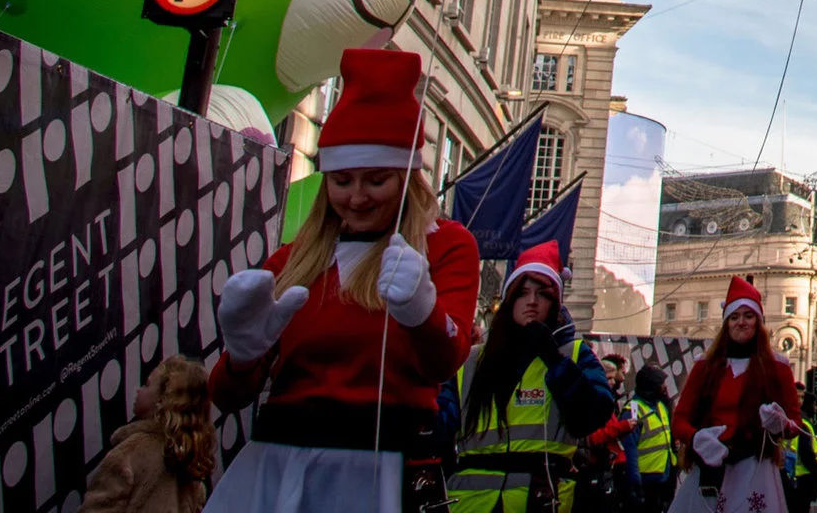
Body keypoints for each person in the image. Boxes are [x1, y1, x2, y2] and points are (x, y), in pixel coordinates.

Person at [206, 48, 481, 512]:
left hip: (382, 474)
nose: (355, 198)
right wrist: (242, 356)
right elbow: (227, 397)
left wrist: (422, 313)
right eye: (341, 181)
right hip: (275, 471)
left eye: (375, 180)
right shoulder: (295, 259)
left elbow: (444, 363)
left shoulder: (445, 246)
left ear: (407, 179)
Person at [446, 241, 620, 512]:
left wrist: (554, 360)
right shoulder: (471, 360)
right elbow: (438, 424)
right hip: (472, 502)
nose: (532, 301)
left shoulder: (572, 354)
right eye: (523, 292)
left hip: (540, 498)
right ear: (509, 299)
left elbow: (593, 414)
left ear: (554, 303)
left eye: (542, 294)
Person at [672, 277, 804, 513]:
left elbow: (796, 424)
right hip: (709, 471)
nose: (741, 322)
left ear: (758, 322)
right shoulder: (705, 366)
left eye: (748, 316)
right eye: (734, 317)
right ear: (726, 323)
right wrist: (696, 439)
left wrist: (780, 424)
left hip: (756, 470)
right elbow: (679, 420)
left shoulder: (778, 366)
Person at [81, 356, 217, 513]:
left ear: (162, 400)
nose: (138, 390)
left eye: (146, 385)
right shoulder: (191, 466)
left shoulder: (130, 452)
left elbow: (96, 508)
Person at [629, 364, 679, 511]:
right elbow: (629, 447)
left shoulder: (661, 406)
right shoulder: (633, 409)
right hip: (646, 477)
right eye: (661, 383)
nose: (665, 387)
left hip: (665, 474)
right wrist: (634, 478)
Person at [785, 415, 817, 513]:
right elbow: (807, 454)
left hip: (787, 477)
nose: (816, 408)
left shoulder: (781, 421)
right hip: (802, 479)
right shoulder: (802, 424)